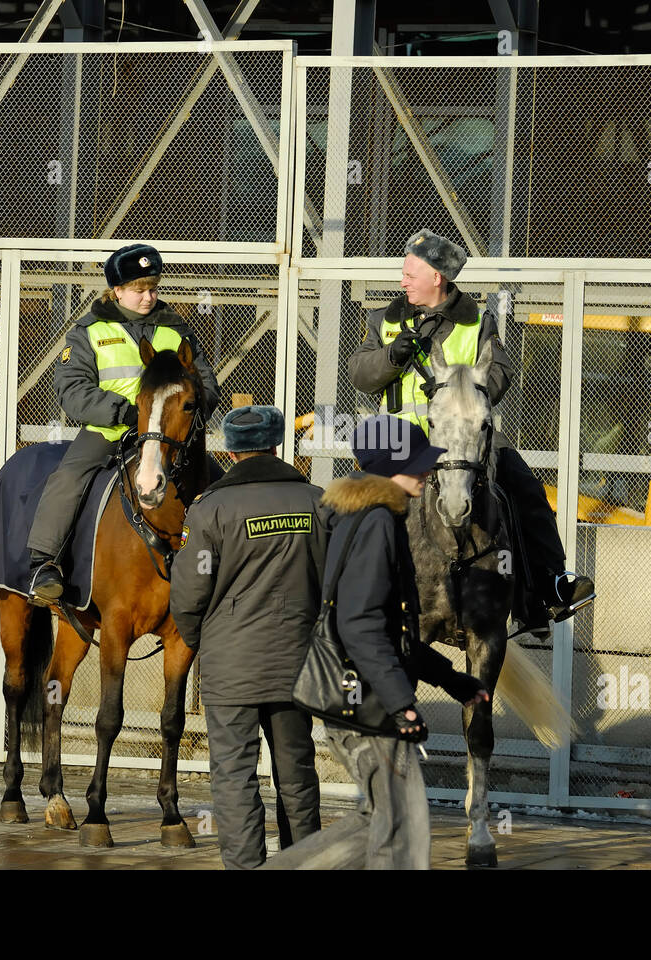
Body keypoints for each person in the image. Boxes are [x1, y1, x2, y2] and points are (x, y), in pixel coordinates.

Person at [262, 414, 488, 870]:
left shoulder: (372, 515)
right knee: (399, 821)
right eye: (418, 462)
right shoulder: (377, 522)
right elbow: (362, 624)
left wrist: (452, 681)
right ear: (388, 468)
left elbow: (393, 629)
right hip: (365, 702)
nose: (429, 471)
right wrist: (401, 702)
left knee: (385, 819)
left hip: (366, 698)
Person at [347, 228, 594, 632]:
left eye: (410, 273)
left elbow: (499, 371)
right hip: (396, 436)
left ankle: (549, 588)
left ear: (436, 277)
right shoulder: (384, 319)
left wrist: (460, 390)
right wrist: (392, 355)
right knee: (352, 501)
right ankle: (344, 592)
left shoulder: (479, 321)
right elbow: (360, 374)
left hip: (460, 436)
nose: (402, 280)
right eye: (404, 272)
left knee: (522, 486)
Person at [168, 405, 326, 870]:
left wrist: (203, 641)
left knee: (234, 776)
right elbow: (334, 580)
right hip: (298, 665)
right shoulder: (317, 502)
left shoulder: (211, 509)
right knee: (297, 775)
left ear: (231, 451)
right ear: (278, 445)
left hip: (231, 668)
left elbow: (188, 593)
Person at [27, 243, 221, 603]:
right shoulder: (88, 331)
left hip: (169, 437)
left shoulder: (177, 330)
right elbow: (72, 391)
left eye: (153, 288)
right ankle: (44, 564)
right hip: (109, 431)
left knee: (217, 481)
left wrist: (187, 411)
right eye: (139, 289)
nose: (148, 297)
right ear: (117, 290)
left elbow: (208, 384)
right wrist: (126, 412)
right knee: (70, 477)